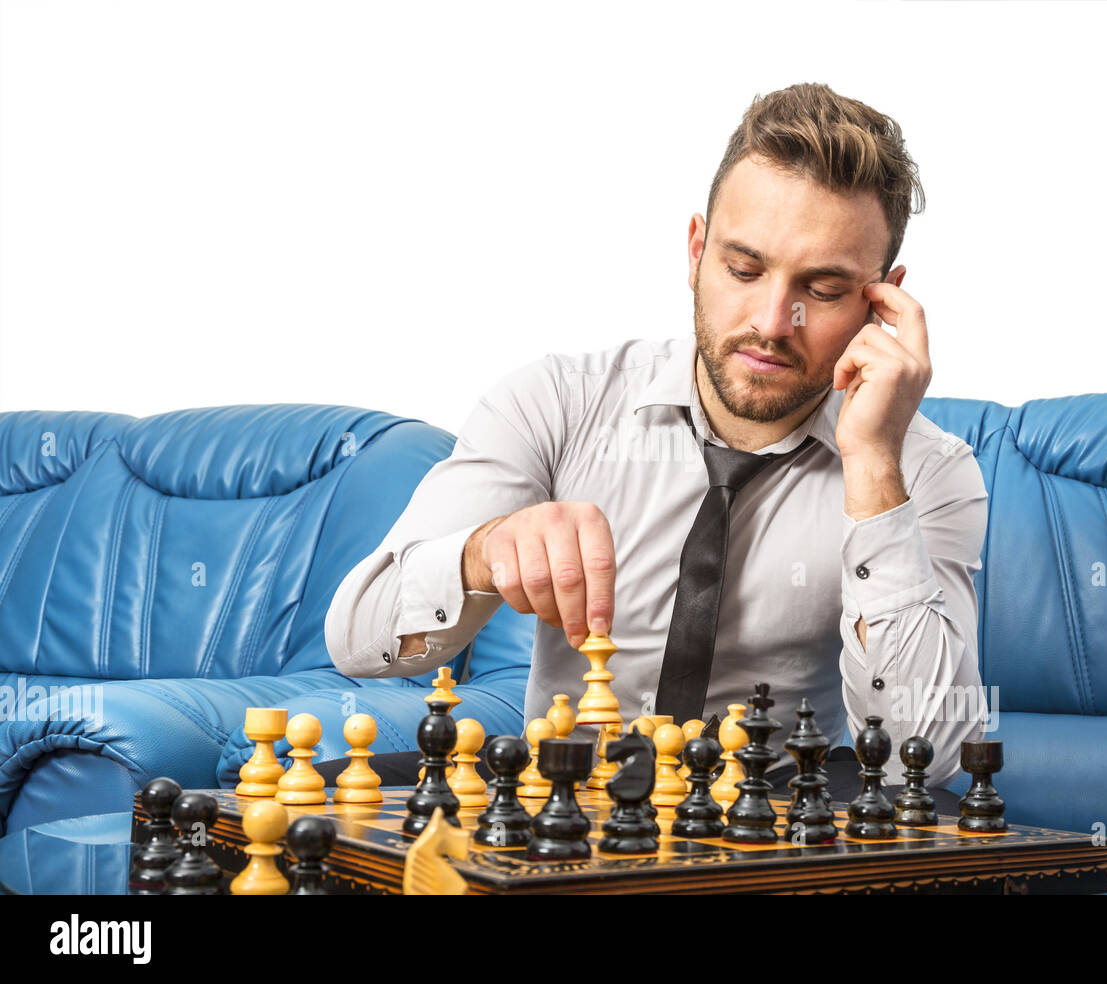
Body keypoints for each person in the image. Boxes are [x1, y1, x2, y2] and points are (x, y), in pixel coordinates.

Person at [323, 82, 989, 806]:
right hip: (564, 814)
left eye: (823, 289)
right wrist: (482, 553)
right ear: (697, 249)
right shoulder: (556, 403)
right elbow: (358, 636)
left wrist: (872, 465)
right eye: (743, 269)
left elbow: (931, 755)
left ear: (883, 300)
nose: (772, 321)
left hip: (765, 825)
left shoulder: (927, 469)